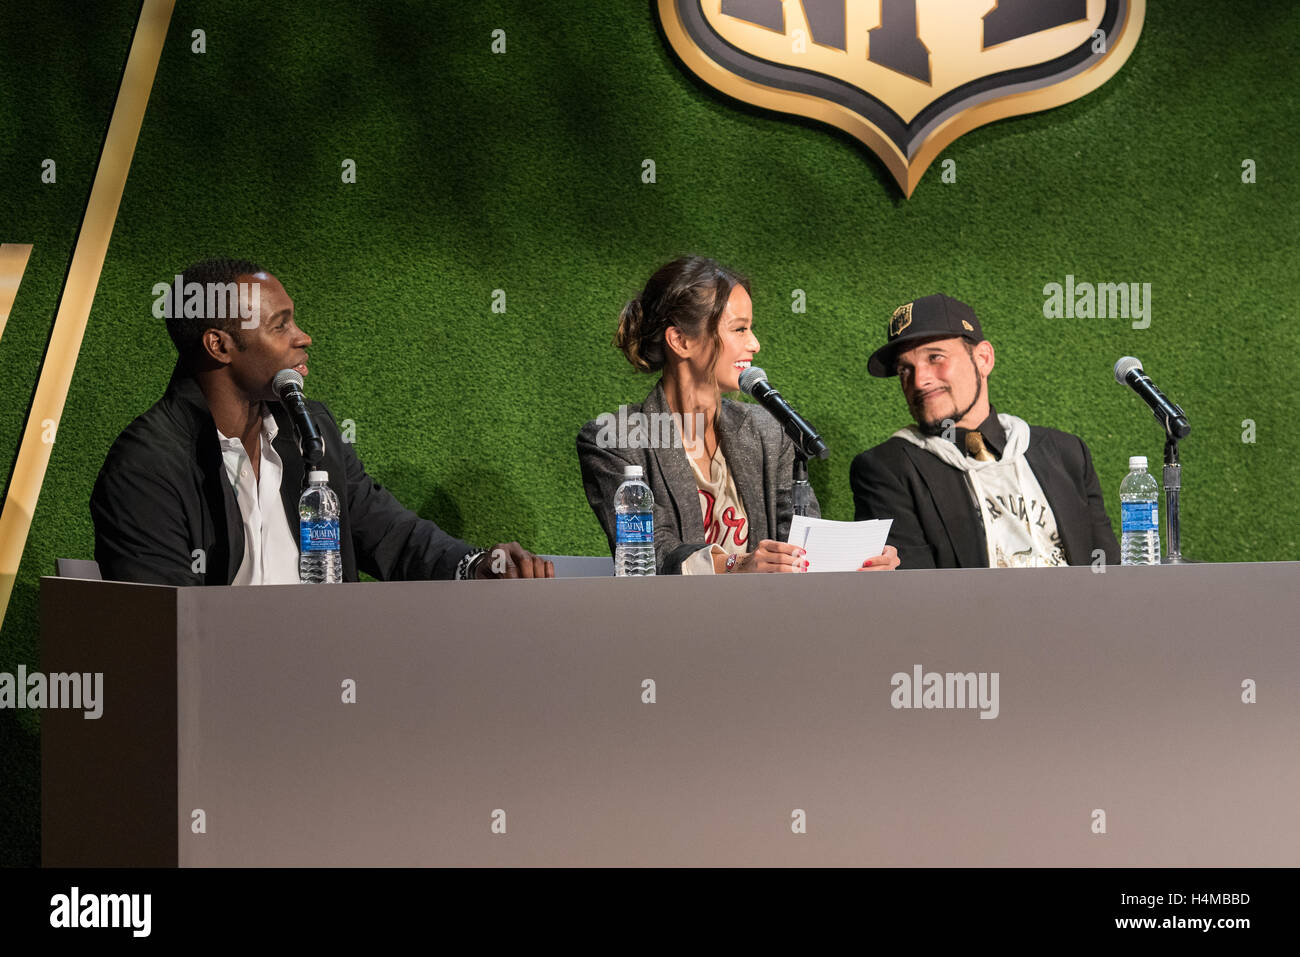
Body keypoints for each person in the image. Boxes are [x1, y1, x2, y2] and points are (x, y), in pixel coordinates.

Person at [91, 258, 553, 585]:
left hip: (332, 675)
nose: (303, 337)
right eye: (281, 326)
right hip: (224, 694)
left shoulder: (308, 430)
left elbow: (393, 535)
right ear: (219, 346)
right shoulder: (148, 464)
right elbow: (161, 626)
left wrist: (477, 564)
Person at [577, 255, 899, 575]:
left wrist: (858, 560)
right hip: (675, 620)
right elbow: (653, 554)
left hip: (769, 618)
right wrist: (737, 564)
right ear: (681, 340)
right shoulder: (616, 440)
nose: (755, 344)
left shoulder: (769, 432)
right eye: (739, 329)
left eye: (751, 329)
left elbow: (799, 548)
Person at [850, 293, 1120, 569]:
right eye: (905, 370)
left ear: (983, 359)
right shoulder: (887, 469)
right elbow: (920, 594)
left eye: (935, 358)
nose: (920, 381)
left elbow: (1109, 571)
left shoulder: (1066, 453)